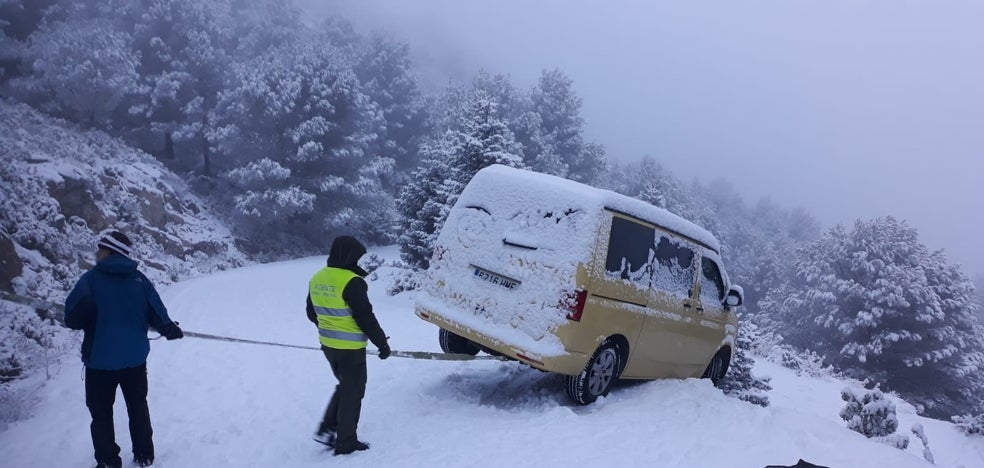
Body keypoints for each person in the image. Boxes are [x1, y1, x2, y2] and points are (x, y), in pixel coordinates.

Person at [64, 230, 184, 468]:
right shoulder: (140, 280)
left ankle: (109, 461)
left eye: (100, 249)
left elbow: (72, 319)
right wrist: (170, 329)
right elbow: (157, 312)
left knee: (101, 414)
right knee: (138, 406)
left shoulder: (90, 281)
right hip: (135, 360)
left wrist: (93, 316)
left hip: (100, 362)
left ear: (108, 252)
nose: (97, 253)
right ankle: (144, 454)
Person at [307, 235, 390, 456]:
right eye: (356, 257)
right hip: (350, 349)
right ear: (348, 255)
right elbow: (365, 317)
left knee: (346, 386)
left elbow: (310, 312)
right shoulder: (352, 281)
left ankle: (327, 428)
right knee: (353, 392)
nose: (358, 261)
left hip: (328, 345)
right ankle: (345, 442)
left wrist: (328, 327)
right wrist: (382, 344)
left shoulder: (318, 277)